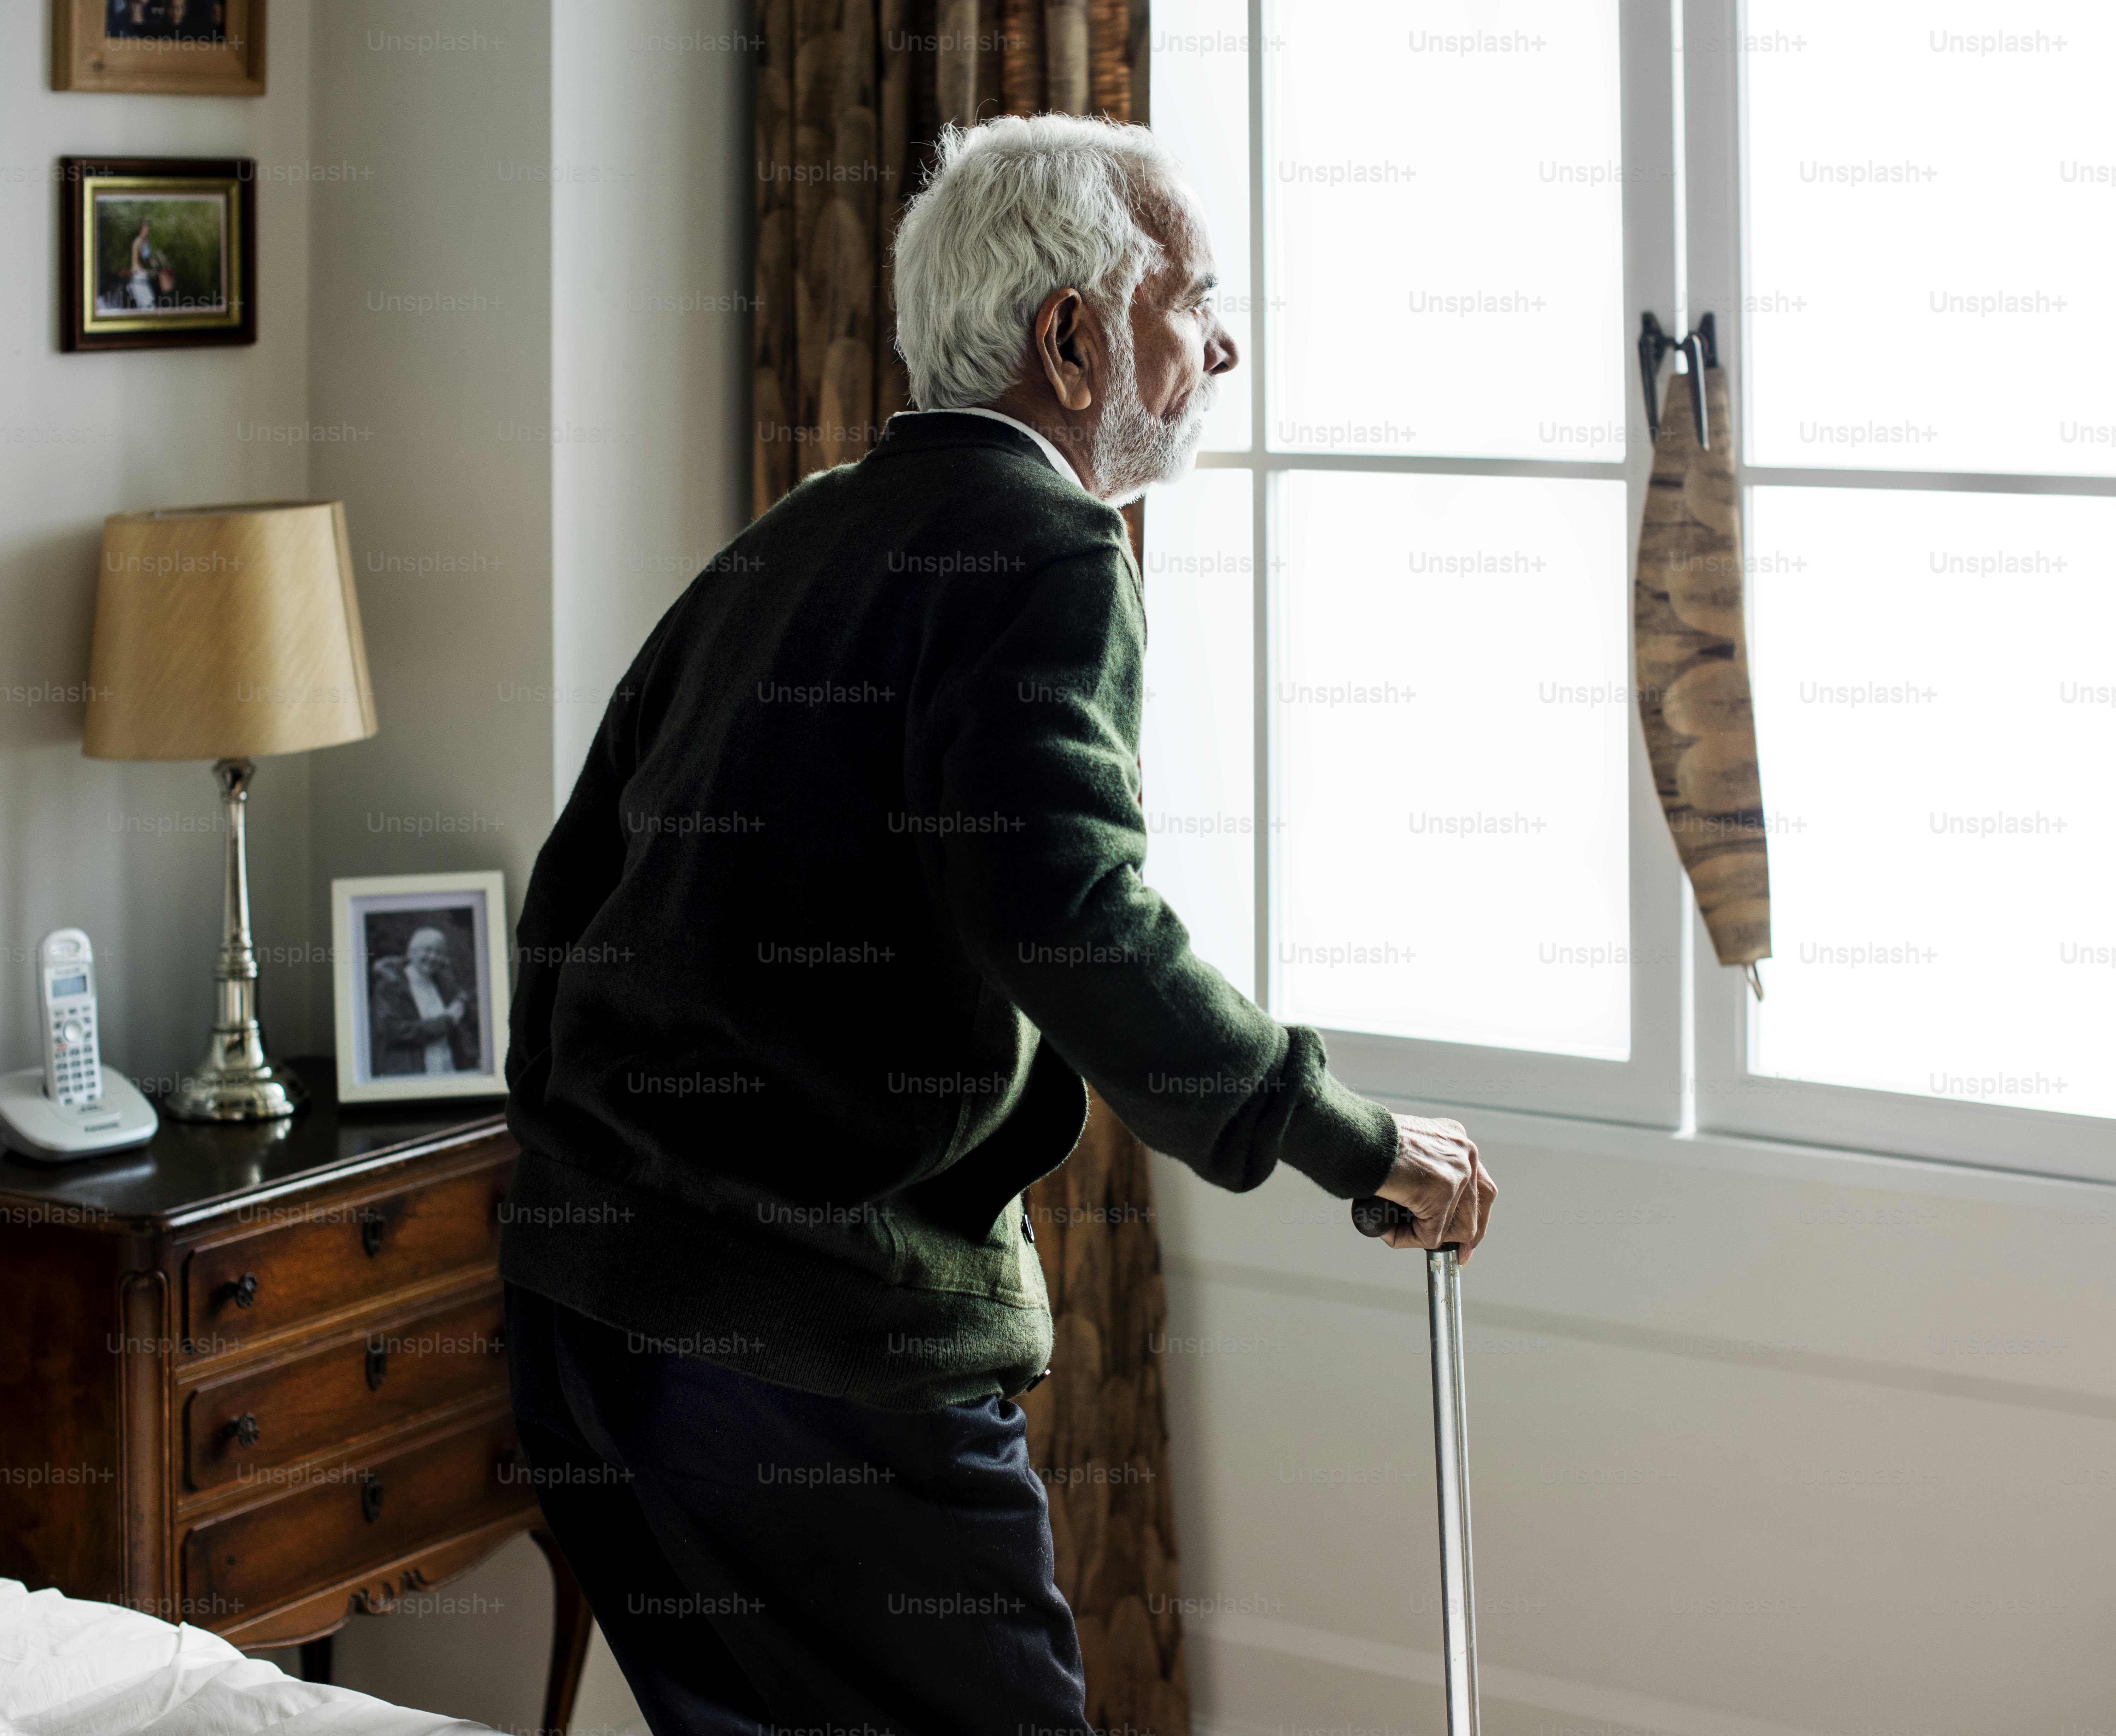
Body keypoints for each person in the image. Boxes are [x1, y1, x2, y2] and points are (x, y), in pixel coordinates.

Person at [500, 113, 1496, 1736]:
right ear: (1072, 331)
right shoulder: (1044, 544)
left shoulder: (789, 539)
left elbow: (568, 897)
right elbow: (1071, 911)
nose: (1221, 343)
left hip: (587, 1330)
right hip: (808, 1348)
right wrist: (1349, 1135)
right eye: (1193, 298)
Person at [367, 926, 476, 1076]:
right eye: (428, 950)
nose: (433, 957)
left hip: (447, 1067)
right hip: (410, 1073)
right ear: (411, 952)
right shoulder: (389, 985)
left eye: (439, 953)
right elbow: (392, 1031)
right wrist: (447, 1021)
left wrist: (461, 1001)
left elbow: (461, 997)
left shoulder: (442, 981)